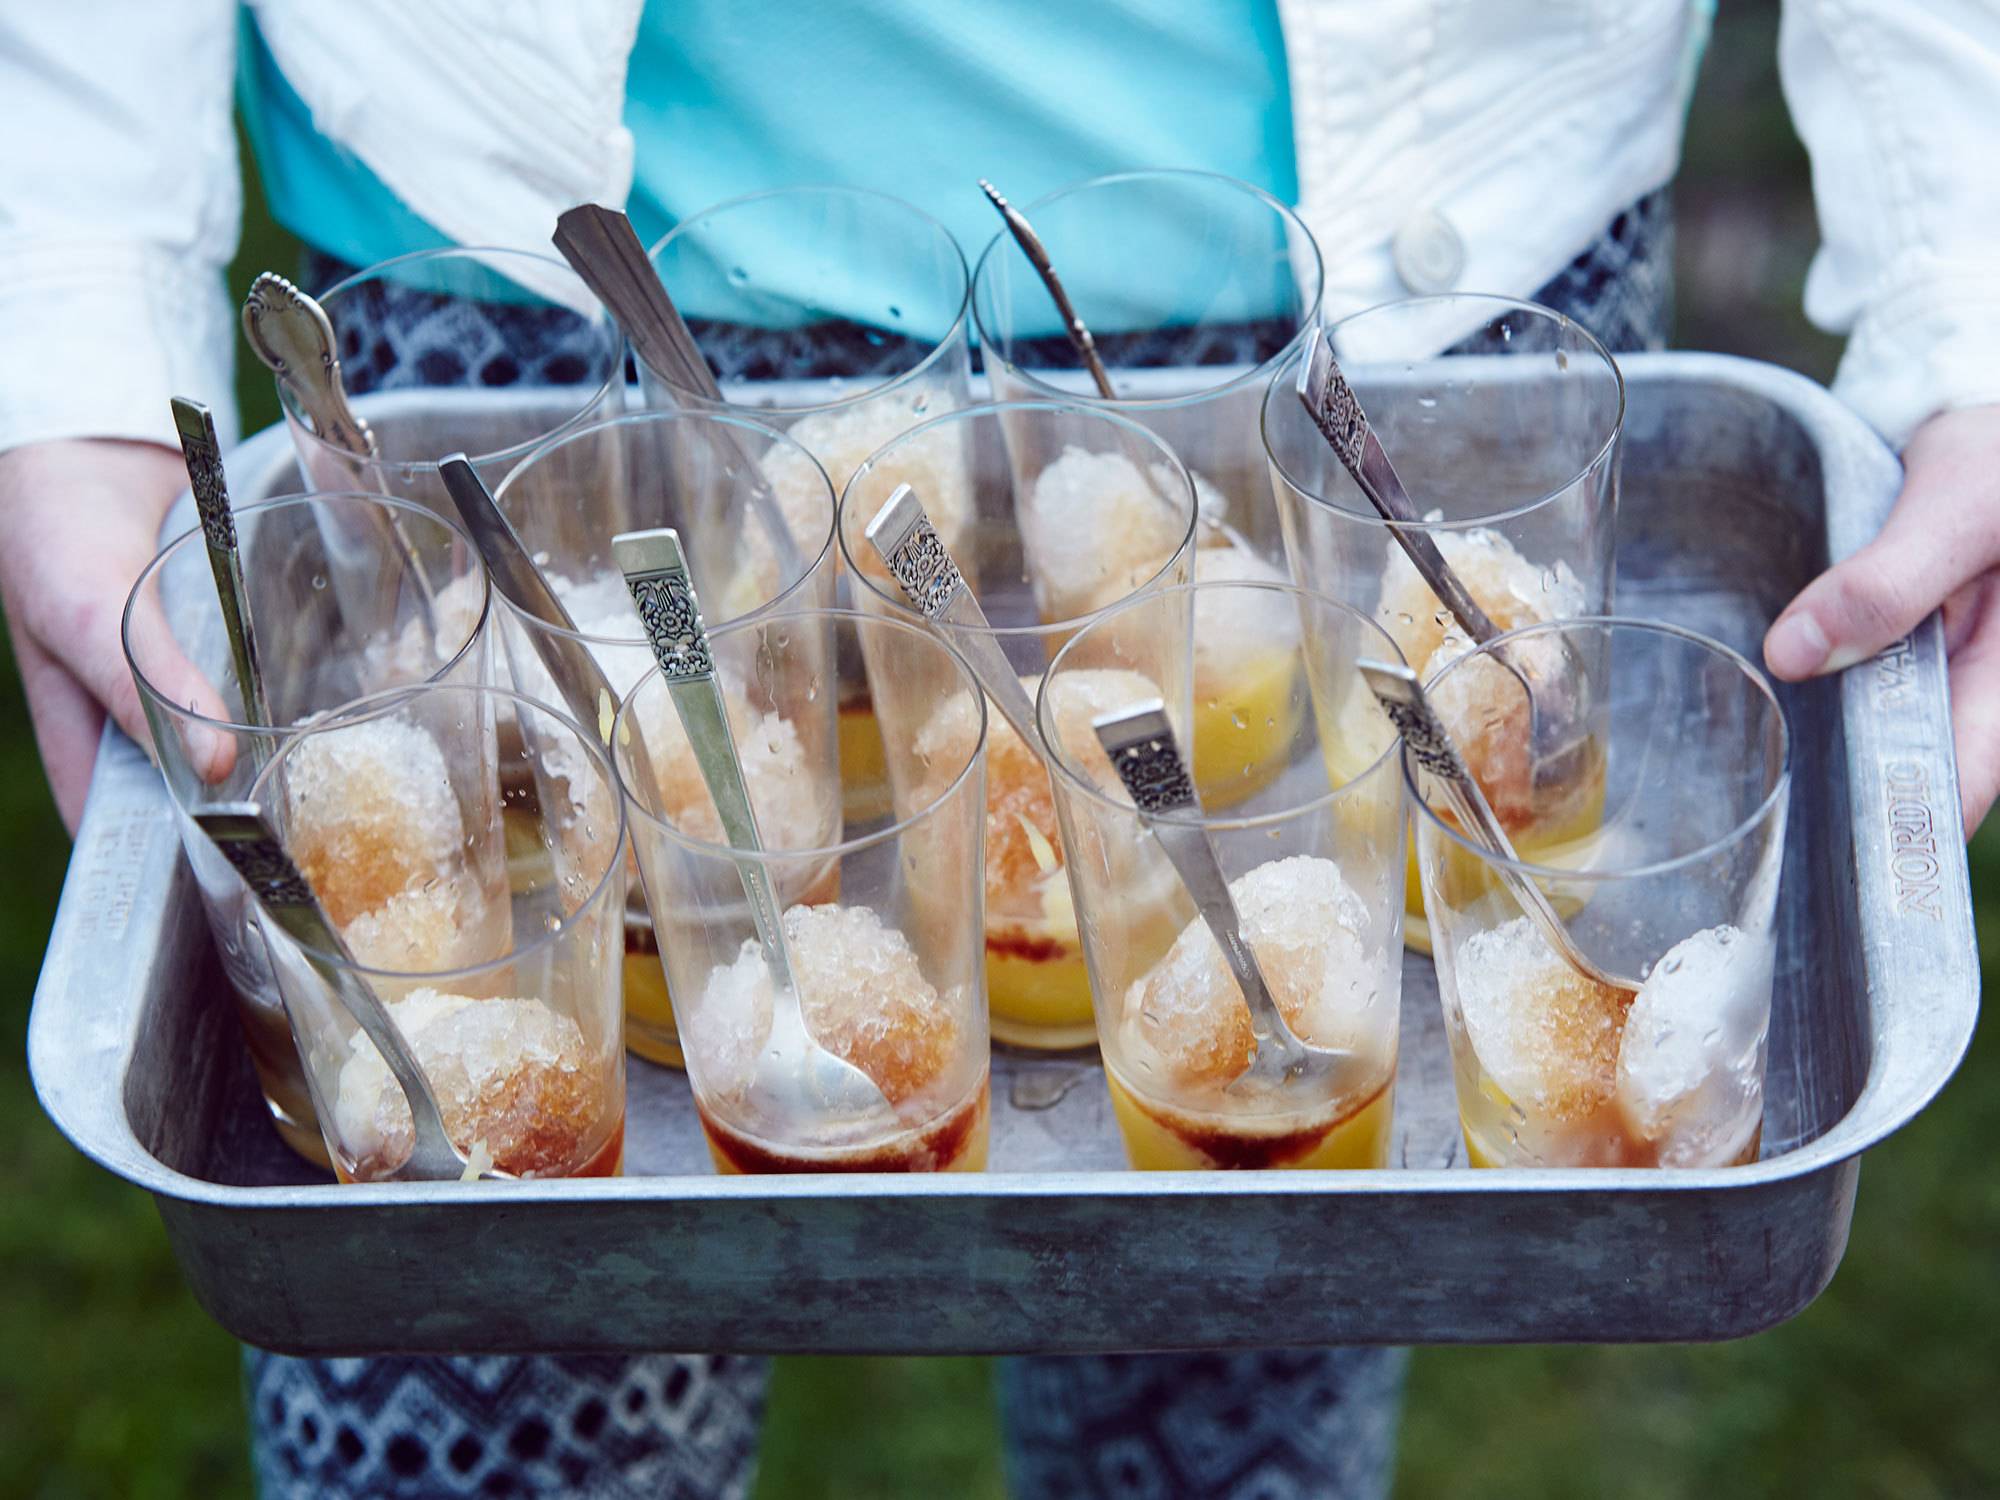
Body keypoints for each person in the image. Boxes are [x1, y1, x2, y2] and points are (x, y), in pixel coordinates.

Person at [3, 3, 1995, 1497]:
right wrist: (74, 335)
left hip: (1410, 272)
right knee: (500, 1364)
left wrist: (1966, 298)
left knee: (1244, 1330)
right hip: (519, 271)